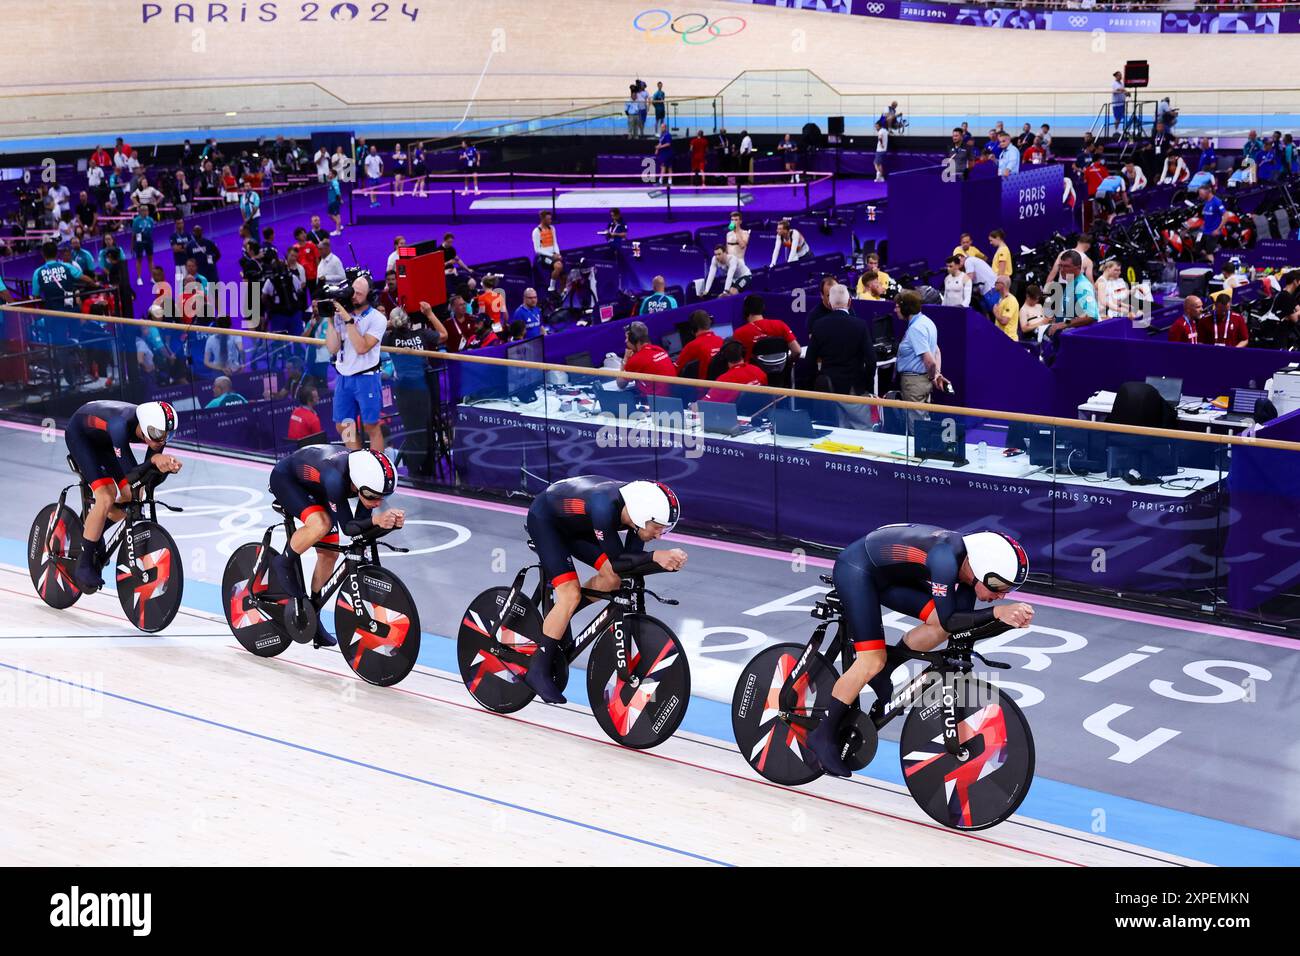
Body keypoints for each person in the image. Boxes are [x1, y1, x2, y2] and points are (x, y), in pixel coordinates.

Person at [806, 525, 1032, 777]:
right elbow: (951, 619)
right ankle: (822, 736)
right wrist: (997, 614)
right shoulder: (945, 559)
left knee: (937, 627)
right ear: (981, 569)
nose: (1002, 596)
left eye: (1009, 590)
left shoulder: (970, 570)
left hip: (888, 574)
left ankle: (887, 668)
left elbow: (960, 628)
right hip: (858, 569)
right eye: (999, 587)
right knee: (871, 660)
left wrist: (1003, 624)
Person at [521, 476, 686, 704]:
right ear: (641, 516)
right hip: (546, 521)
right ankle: (537, 670)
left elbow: (630, 566)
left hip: (577, 524)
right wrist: (657, 557)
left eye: (663, 531)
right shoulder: (604, 506)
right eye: (657, 528)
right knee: (570, 594)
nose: (659, 536)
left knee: (613, 579)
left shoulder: (634, 516)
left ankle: (559, 617)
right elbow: (620, 560)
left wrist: (663, 565)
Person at [267, 445, 404, 647]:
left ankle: (313, 612)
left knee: (329, 554)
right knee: (321, 523)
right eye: (372, 496)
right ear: (358, 484)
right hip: (288, 480)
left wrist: (389, 524)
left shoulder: (362, 480)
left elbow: (360, 531)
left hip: (317, 486)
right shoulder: (336, 479)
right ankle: (283, 562)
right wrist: (376, 521)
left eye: (382, 497)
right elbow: (349, 528)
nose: (377, 503)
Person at [63, 400, 182, 593]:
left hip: (104, 440)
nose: (162, 441)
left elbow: (140, 479)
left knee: (133, 495)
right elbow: (132, 472)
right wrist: (155, 460)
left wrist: (164, 466)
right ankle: (83, 564)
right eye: (158, 434)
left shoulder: (156, 432)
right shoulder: (120, 426)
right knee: (106, 497)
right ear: (144, 427)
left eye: (169, 435)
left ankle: (94, 528)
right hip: (82, 436)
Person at [326, 275, 389, 453]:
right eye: (353, 293)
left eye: (360, 294)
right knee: (343, 426)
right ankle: (357, 461)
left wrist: (348, 321)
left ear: (369, 295)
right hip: (343, 378)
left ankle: (377, 468)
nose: (354, 297)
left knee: (371, 426)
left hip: (366, 378)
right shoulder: (341, 315)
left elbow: (362, 347)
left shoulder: (377, 319)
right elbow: (332, 348)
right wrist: (330, 320)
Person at [385, 303, 446, 475]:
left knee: (412, 431)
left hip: (404, 391)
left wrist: (388, 324)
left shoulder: (389, 338)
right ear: (409, 321)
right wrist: (430, 313)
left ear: (392, 322)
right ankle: (425, 472)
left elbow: (370, 338)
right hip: (422, 389)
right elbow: (444, 335)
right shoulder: (421, 334)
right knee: (425, 429)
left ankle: (415, 472)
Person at [895, 291, 947, 407]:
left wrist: (933, 376)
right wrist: (937, 374)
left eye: (897, 307)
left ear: (906, 308)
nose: (895, 310)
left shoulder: (916, 329)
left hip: (914, 384)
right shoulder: (927, 322)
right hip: (921, 383)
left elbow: (930, 361)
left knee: (914, 422)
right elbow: (936, 351)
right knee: (921, 419)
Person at [733, 293, 800, 365]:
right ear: (762, 308)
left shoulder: (739, 333)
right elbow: (797, 351)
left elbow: (735, 362)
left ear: (745, 310)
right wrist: (786, 363)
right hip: (781, 374)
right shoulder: (780, 325)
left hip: (755, 375)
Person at [701, 339, 767, 405]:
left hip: (733, 414)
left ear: (724, 358)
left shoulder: (723, 381)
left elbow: (704, 405)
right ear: (743, 354)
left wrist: (691, 409)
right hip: (760, 411)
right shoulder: (758, 371)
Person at [621, 321, 675, 396]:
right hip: (671, 399)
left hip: (653, 404)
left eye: (627, 338)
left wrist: (625, 359)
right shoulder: (659, 349)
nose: (625, 341)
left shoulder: (636, 359)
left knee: (622, 404)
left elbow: (620, 384)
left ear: (633, 339)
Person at [674, 309, 724, 375]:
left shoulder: (691, 346)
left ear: (693, 327)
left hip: (703, 384)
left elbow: (675, 369)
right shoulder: (721, 340)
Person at [532, 211, 562, 286]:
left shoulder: (552, 228)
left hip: (554, 255)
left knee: (565, 270)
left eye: (550, 219)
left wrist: (558, 253)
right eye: (548, 219)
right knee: (558, 266)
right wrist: (551, 255)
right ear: (543, 219)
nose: (550, 221)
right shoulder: (536, 231)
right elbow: (537, 250)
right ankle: (552, 288)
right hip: (543, 257)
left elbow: (555, 243)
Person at [130, 203, 156, 287]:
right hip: (139, 241)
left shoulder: (151, 220)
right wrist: (132, 245)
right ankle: (139, 278)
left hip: (148, 241)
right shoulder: (136, 220)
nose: (145, 212)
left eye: (146, 210)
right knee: (139, 259)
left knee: (150, 259)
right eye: (143, 210)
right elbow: (133, 233)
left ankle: (152, 277)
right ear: (140, 211)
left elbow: (151, 231)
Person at [992, 276, 1020, 340]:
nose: (994, 284)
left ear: (1002, 285)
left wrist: (995, 313)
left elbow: (1004, 321)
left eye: (996, 283)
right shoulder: (1001, 299)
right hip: (1001, 339)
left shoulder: (1011, 301)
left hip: (1009, 340)